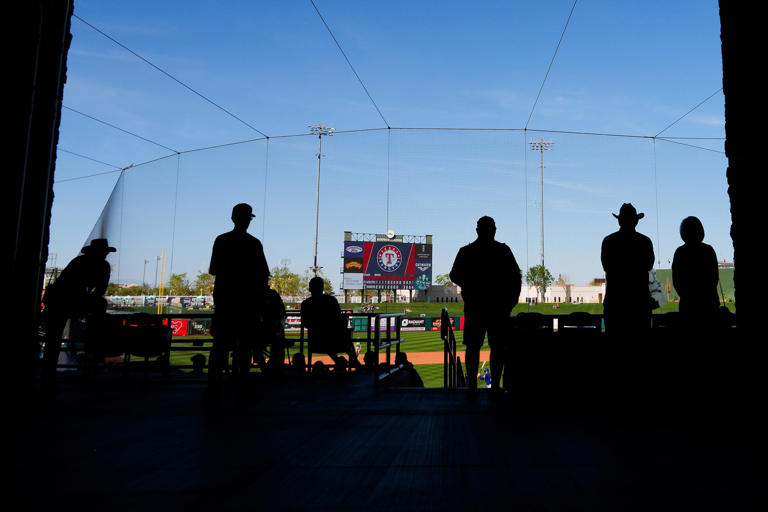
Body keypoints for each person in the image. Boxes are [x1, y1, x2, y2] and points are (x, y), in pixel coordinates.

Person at [450, 216, 521, 398]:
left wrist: (471, 283)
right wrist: (510, 302)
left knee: (474, 347)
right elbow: (516, 278)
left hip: (476, 306)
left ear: (477, 230)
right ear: (494, 230)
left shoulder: (466, 251)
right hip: (497, 308)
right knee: (496, 347)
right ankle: (494, 386)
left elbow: (454, 275)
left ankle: (473, 387)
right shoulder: (503, 251)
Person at [207, 203, 270, 403]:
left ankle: (212, 387)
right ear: (247, 219)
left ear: (233, 218)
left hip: (226, 301)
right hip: (245, 303)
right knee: (244, 347)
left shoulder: (222, 240)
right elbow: (263, 276)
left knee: (220, 346)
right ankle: (242, 388)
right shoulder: (253, 243)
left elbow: (214, 270)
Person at [42, 238, 114, 393]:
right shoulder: (99, 266)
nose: (105, 255)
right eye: (104, 252)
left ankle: (47, 379)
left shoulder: (80, 261)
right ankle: (94, 348)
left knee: (52, 342)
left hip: (59, 301)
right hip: (62, 301)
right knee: (53, 341)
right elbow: (97, 293)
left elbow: (94, 292)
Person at [601, 203, 655, 335]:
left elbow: (607, 267)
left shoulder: (608, 241)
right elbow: (649, 266)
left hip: (615, 303)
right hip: (640, 303)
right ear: (636, 221)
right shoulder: (645, 241)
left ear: (619, 221)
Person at [301, 277, 360, 371]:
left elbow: (305, 323)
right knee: (345, 335)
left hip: (316, 340)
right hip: (335, 339)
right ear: (322, 288)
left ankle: (340, 361)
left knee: (329, 337)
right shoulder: (331, 300)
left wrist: (318, 327)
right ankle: (352, 361)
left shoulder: (306, 303)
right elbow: (338, 318)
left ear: (310, 288)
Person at [672, 216, 720, 331]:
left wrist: (688, 297)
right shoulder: (708, 250)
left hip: (688, 307)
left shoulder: (680, 252)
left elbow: (677, 282)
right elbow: (713, 279)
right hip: (709, 305)